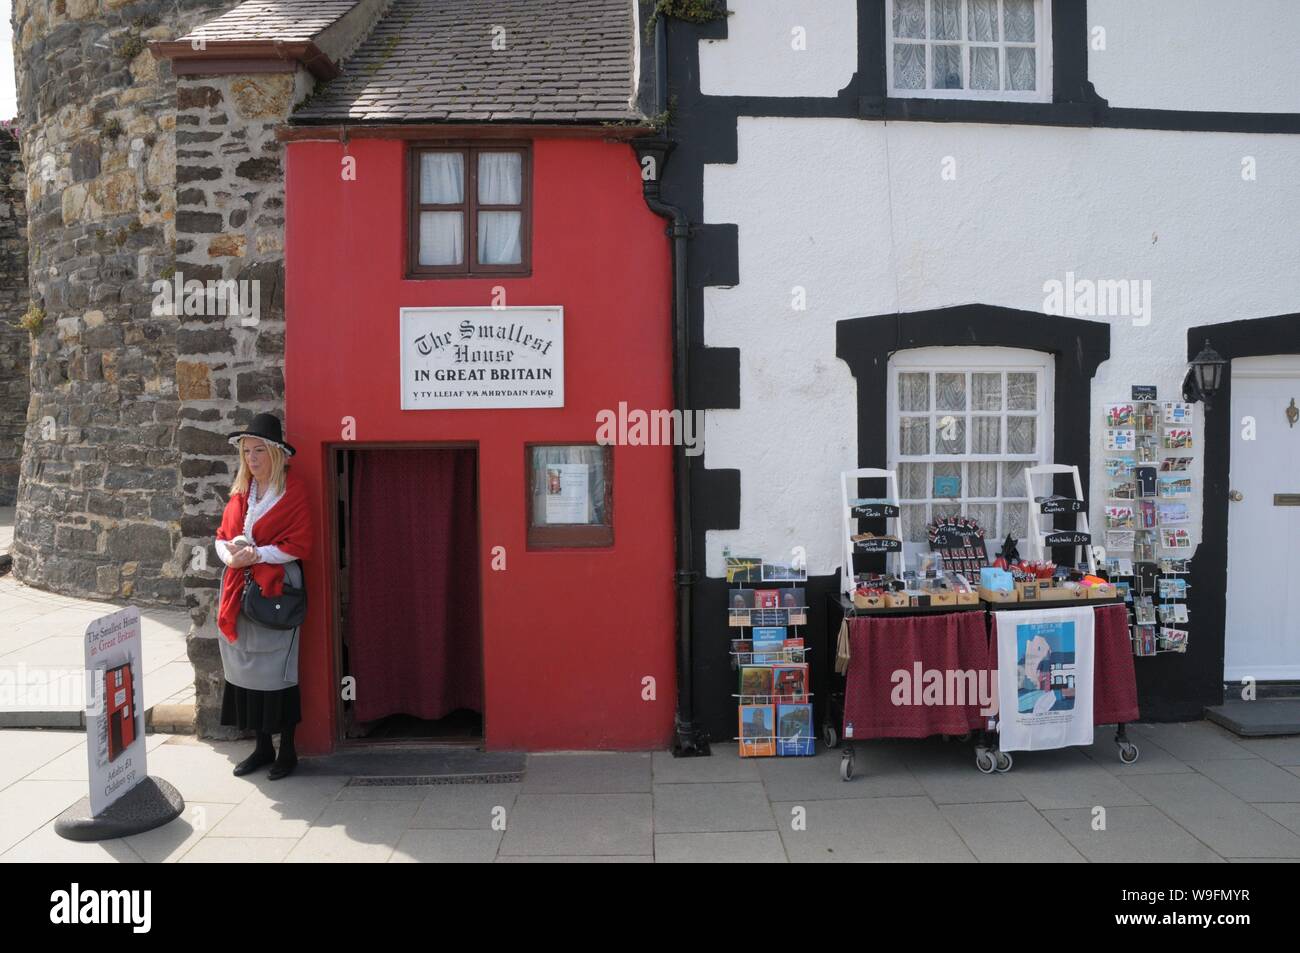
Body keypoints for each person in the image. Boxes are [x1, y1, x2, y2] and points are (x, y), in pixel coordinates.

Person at [214, 413, 312, 779]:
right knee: (245, 666)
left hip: (278, 588)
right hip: (241, 586)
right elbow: (222, 535)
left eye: (258, 451)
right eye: (246, 451)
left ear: (276, 453)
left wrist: (258, 554)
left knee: (278, 669)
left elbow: (299, 544)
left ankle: (287, 750)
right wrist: (232, 555)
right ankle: (261, 748)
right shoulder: (241, 492)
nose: (251, 459)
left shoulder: (293, 492)